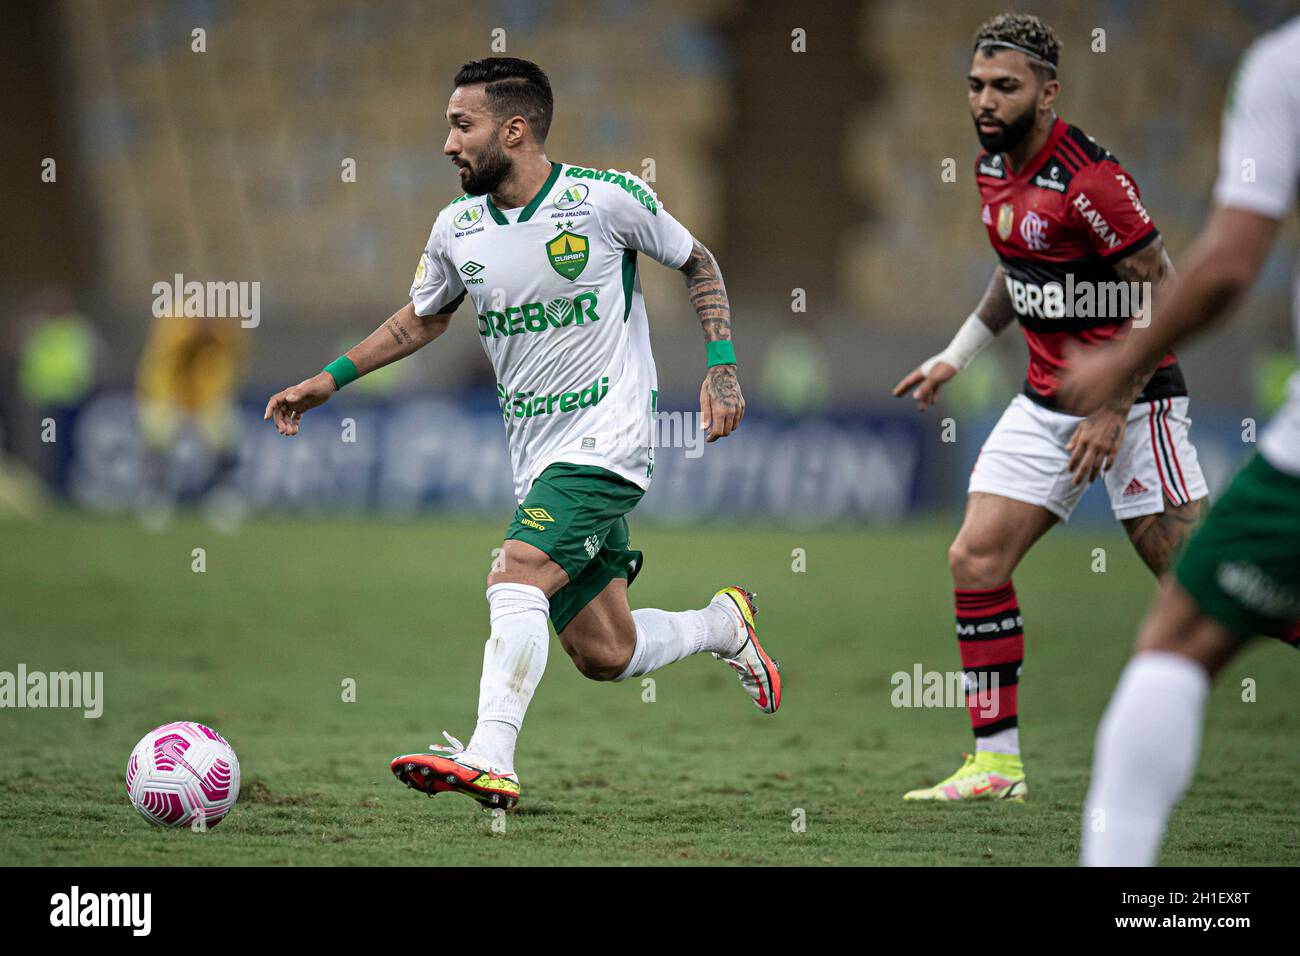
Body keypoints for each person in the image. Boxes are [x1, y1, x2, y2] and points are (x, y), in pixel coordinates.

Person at [263, 58, 781, 811]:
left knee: (516, 571)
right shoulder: (457, 227)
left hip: (609, 441)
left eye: (461, 125)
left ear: (515, 129)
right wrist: (328, 379)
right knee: (608, 653)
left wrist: (723, 368)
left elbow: (696, 259)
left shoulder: (604, 201)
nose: (448, 143)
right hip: (537, 457)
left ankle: (491, 756)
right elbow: (423, 318)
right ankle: (723, 625)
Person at [893, 13, 1206, 802]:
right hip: (1044, 401)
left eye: (1006, 86)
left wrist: (1113, 408)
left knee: (1205, 586)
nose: (986, 102)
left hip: (1135, 404)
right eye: (975, 86)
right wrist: (953, 357)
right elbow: (1015, 272)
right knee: (975, 557)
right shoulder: (991, 169)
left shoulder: (1091, 182)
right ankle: (996, 765)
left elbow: (1162, 290)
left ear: (1049, 91)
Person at [1058, 15, 1300, 865]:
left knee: (1177, 633)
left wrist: (1121, 370)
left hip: (1268, 442)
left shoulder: (1284, 65)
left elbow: (1223, 264)